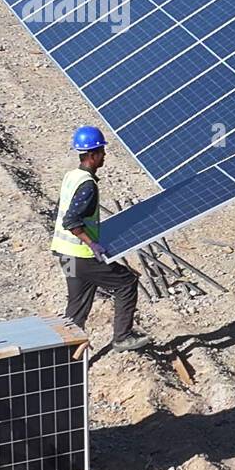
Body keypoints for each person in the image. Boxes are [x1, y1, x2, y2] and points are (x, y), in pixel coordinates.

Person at [51, 126, 151, 352]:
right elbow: (71, 220)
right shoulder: (87, 185)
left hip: (64, 254)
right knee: (127, 282)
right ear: (93, 154)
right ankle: (122, 338)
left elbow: (61, 212)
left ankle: (66, 357)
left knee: (77, 308)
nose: (104, 156)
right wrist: (92, 243)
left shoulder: (71, 176)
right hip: (81, 255)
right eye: (102, 152)